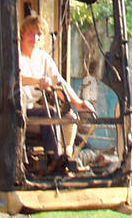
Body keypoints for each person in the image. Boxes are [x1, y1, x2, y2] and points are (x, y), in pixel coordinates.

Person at [18, 15, 94, 174]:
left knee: (68, 116)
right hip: (18, 109)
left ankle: (68, 156)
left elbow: (59, 82)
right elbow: (16, 78)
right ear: (23, 33)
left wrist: (78, 103)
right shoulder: (16, 56)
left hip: (34, 108)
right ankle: (56, 159)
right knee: (50, 113)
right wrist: (37, 81)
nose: (35, 37)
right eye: (31, 33)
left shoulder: (43, 58)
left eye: (39, 34)